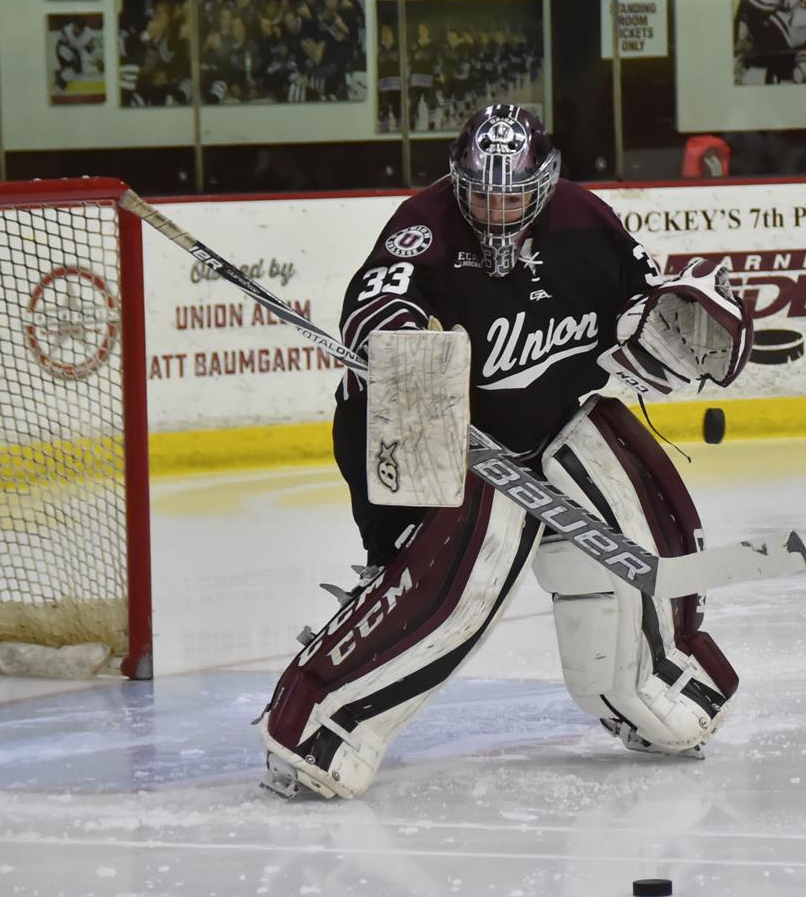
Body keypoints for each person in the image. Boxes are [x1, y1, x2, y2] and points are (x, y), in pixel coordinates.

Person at [257, 104, 755, 800]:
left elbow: (644, 303)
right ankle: (318, 721)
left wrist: (669, 319)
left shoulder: (586, 221)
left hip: (558, 420)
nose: (496, 210)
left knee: (638, 518)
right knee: (459, 581)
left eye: (512, 195)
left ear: (545, 185)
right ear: (458, 182)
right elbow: (376, 305)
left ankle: (650, 683)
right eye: (482, 194)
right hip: (441, 434)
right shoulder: (422, 225)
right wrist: (401, 343)